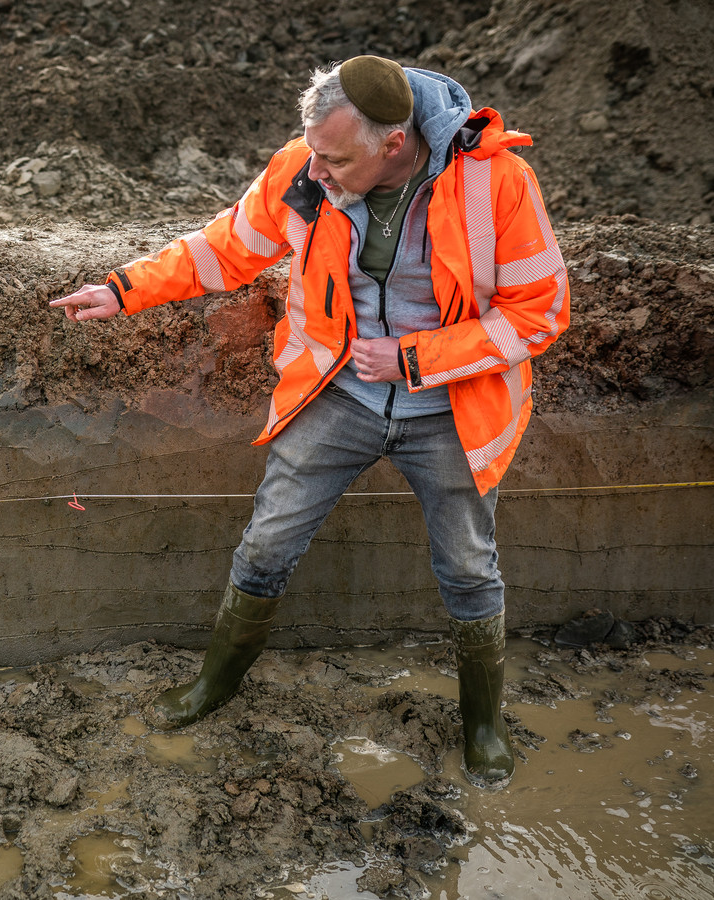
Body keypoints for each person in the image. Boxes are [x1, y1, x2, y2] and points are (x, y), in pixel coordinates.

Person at [50, 56, 570, 789]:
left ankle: (483, 725)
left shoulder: (497, 181)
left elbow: (539, 310)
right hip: (336, 396)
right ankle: (214, 686)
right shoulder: (306, 167)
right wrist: (122, 289)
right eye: (314, 151)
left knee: (468, 567)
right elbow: (225, 246)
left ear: (394, 145)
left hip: (454, 406)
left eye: (336, 159)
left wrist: (417, 359)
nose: (316, 171)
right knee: (266, 544)